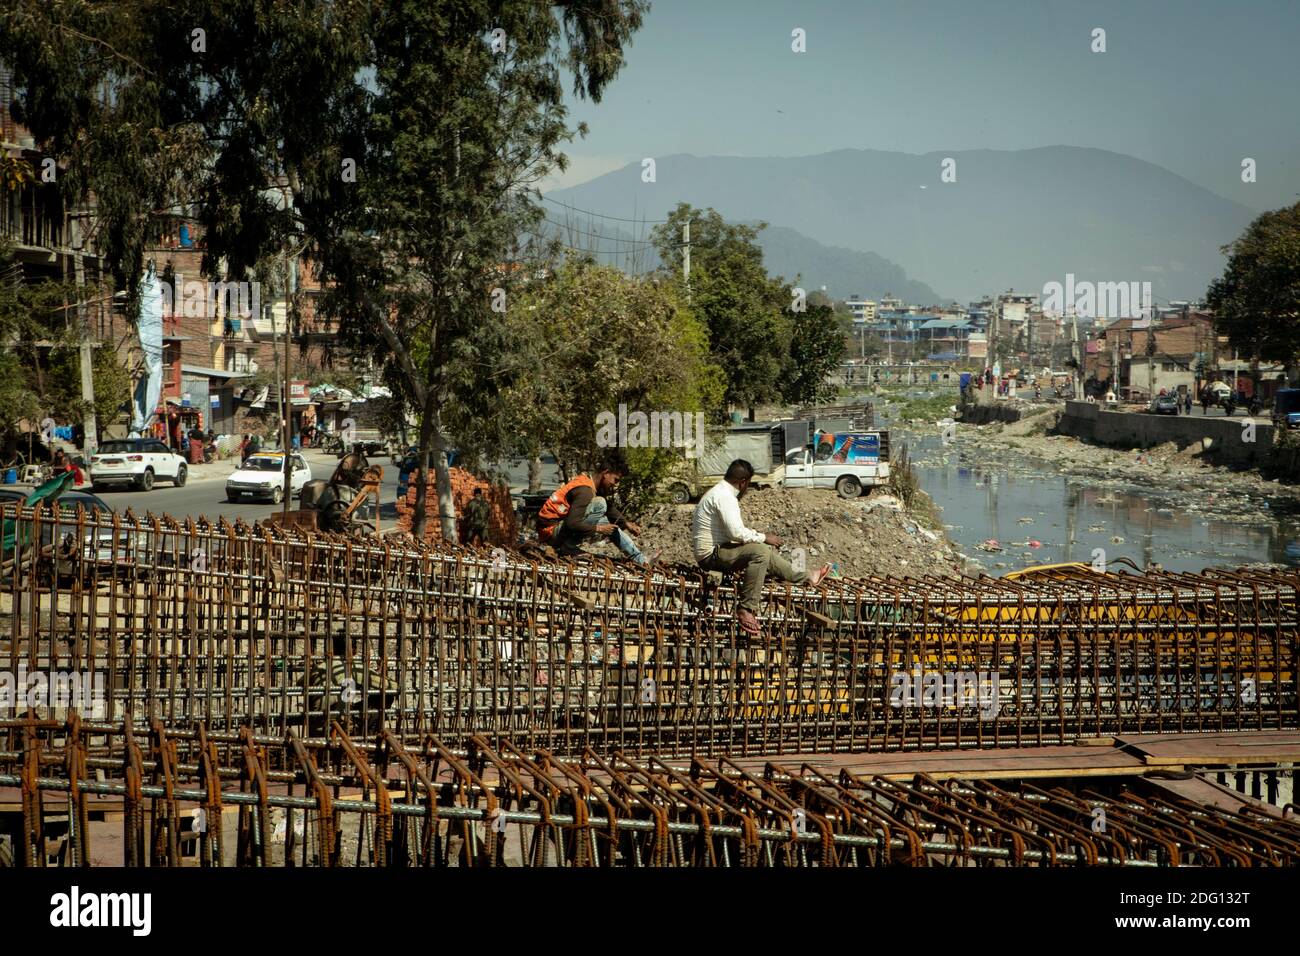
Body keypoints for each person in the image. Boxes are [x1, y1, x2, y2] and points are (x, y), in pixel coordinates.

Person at [692, 459, 831, 635]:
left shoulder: (719, 492)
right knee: (760, 552)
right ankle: (745, 608)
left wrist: (760, 540)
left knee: (764, 552)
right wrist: (764, 537)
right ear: (743, 482)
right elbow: (737, 532)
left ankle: (807, 576)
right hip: (711, 556)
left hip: (718, 550)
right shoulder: (725, 497)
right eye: (748, 484)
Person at [536, 453, 651, 565]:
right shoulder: (585, 491)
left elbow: (609, 508)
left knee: (609, 521)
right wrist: (599, 528)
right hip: (551, 534)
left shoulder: (587, 482)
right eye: (616, 480)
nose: (615, 485)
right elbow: (572, 523)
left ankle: (641, 560)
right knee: (600, 504)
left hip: (556, 530)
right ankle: (568, 547)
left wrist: (626, 523)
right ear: (606, 473)